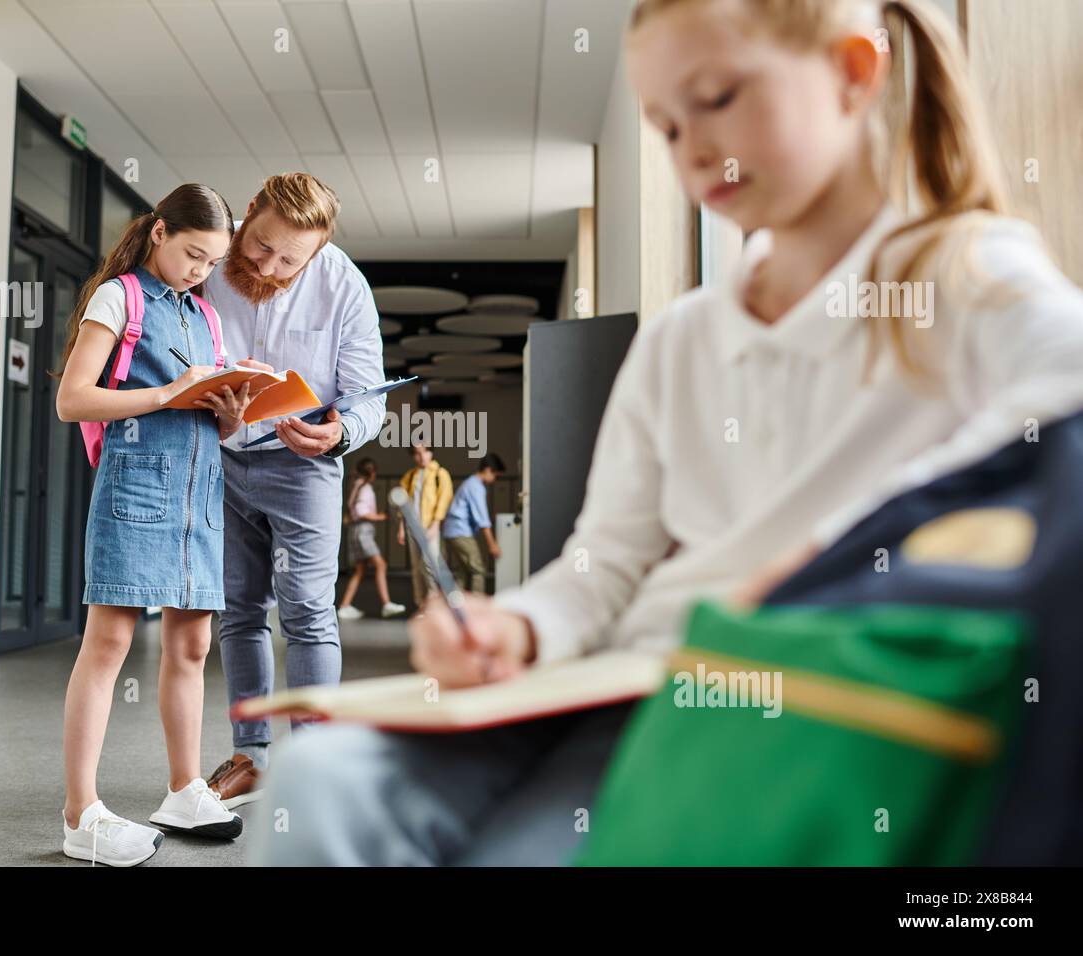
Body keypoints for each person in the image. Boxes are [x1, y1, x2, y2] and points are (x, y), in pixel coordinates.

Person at [247, 0, 1083, 865]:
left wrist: (845, 552)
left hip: (778, 699)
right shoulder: (684, 337)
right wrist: (520, 628)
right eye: (665, 125)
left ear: (852, 74)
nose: (689, 147)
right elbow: (602, 565)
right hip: (618, 678)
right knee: (318, 789)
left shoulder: (965, 277)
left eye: (718, 97)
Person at [55, 184, 264, 866]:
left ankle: (183, 789)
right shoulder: (120, 297)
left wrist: (233, 411)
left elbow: (212, 416)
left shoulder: (207, 317)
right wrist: (167, 394)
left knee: (194, 647)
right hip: (136, 488)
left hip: (200, 495)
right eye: (192, 254)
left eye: (213, 261)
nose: (201, 271)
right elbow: (72, 398)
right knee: (109, 643)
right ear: (159, 233)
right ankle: (80, 811)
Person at [203, 173, 386, 810]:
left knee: (308, 611)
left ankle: (312, 767)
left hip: (303, 464)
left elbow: (365, 397)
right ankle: (249, 757)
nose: (271, 267)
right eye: (260, 248)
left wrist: (340, 432)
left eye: (290, 259)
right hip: (216, 458)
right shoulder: (207, 260)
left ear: (316, 252)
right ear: (247, 213)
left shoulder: (344, 286)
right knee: (239, 609)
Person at [338, 458, 406, 620]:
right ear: (372, 473)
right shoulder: (365, 488)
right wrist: (379, 516)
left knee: (360, 570)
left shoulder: (356, 485)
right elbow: (361, 511)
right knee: (381, 564)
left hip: (356, 531)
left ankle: (344, 606)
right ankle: (386, 604)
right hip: (363, 531)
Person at [395, 444, 453, 608]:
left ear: (431, 452)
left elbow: (444, 500)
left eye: (425, 451)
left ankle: (435, 603)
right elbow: (402, 502)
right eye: (417, 453)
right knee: (415, 567)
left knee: (429, 564)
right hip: (412, 527)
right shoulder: (410, 475)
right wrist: (401, 527)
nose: (421, 456)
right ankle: (421, 604)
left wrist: (435, 524)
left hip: (429, 526)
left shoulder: (440, 474)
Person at [441, 453, 506, 594]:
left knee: (462, 572)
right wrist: (492, 545)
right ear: (488, 470)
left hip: (452, 531)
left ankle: (456, 608)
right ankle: (477, 607)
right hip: (460, 531)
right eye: (496, 476)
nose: (495, 480)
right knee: (478, 570)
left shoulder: (470, 483)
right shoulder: (476, 487)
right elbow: (483, 520)